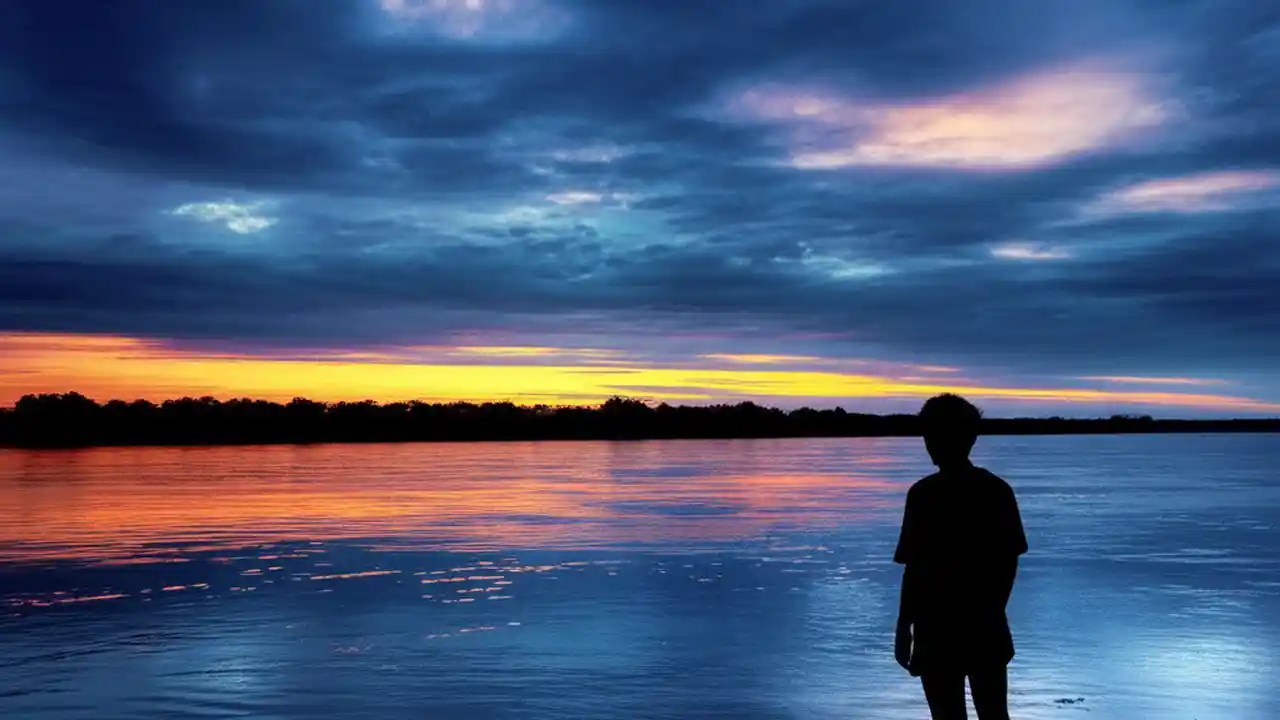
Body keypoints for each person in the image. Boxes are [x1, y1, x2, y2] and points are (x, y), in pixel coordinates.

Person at [894, 394, 1028, 720]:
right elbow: (914, 567)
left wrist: (905, 626)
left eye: (935, 435)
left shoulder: (985, 492)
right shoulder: (930, 493)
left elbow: (1008, 563)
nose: (930, 444)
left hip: (963, 629)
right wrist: (903, 628)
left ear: (968, 438)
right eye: (927, 435)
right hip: (952, 629)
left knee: (978, 714)